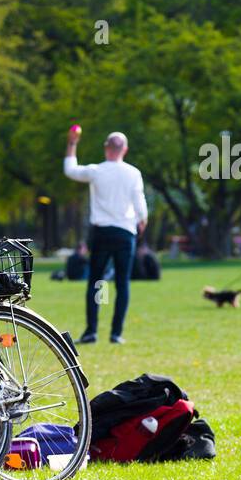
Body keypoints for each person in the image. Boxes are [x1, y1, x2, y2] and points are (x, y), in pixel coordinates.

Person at [64, 126, 148, 343]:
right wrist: (142, 220)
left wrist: (72, 143)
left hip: (101, 232)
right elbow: (140, 203)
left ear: (106, 148)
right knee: (122, 283)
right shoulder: (133, 173)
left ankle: (92, 330)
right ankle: (116, 333)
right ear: (125, 150)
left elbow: (70, 170)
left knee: (97, 282)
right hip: (124, 233)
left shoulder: (96, 171)